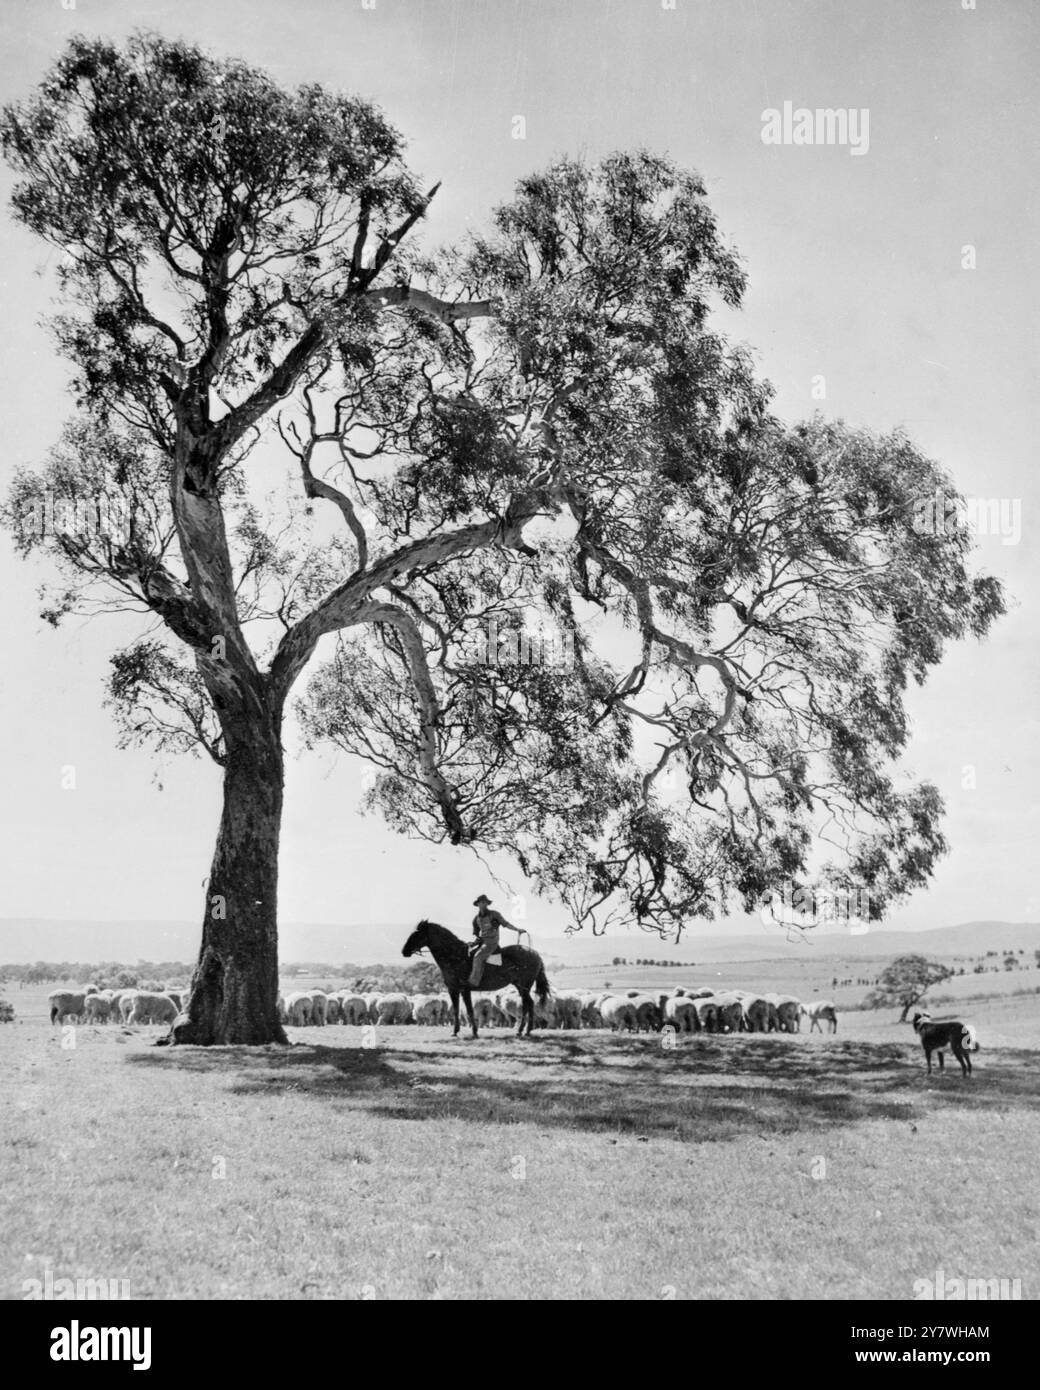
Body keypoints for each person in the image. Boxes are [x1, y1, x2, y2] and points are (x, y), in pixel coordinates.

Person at [468, 894, 524, 988]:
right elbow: (478, 935)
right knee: (469, 954)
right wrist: (473, 943)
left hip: (492, 942)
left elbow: (505, 924)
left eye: (485, 903)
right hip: (482, 942)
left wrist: (517, 929)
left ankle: (474, 983)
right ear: (478, 904)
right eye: (481, 903)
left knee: (478, 957)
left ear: (487, 904)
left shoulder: (494, 914)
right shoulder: (476, 919)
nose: (483, 904)